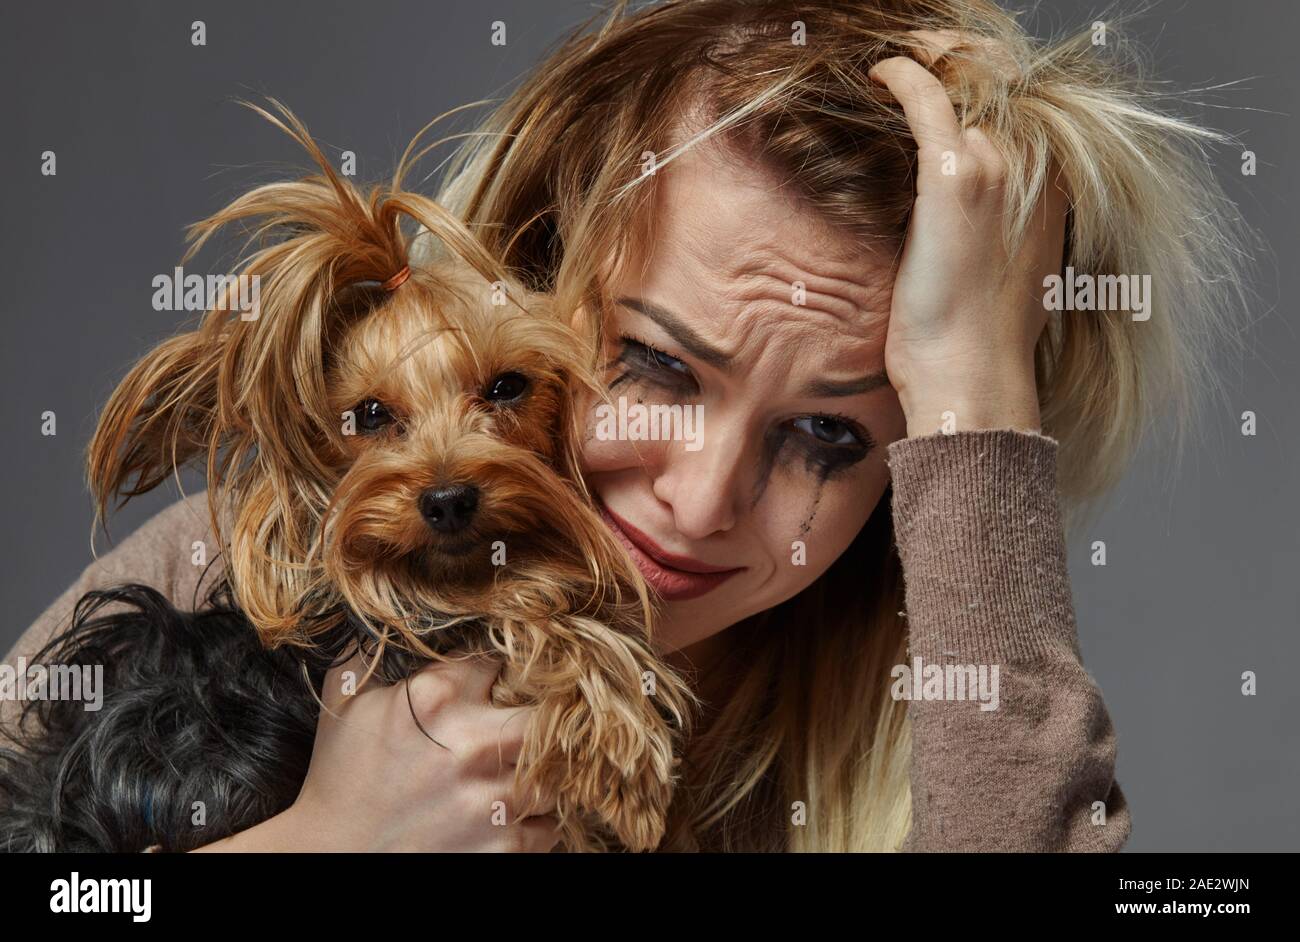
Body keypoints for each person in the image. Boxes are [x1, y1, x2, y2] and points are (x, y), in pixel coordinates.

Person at [1, 0, 1247, 851]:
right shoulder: (243, 567)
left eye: (829, 439)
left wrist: (978, 403)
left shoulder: (917, 713)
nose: (704, 504)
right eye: (654, 365)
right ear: (529, 277)